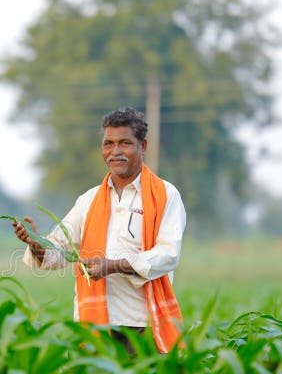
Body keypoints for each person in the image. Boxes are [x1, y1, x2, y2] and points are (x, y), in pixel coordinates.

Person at [13, 107, 186, 354]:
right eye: (108, 144)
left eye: (125, 143)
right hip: (96, 328)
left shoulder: (165, 195)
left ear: (143, 146)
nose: (115, 152)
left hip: (143, 325)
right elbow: (60, 250)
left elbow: (168, 255)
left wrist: (113, 265)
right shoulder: (88, 200)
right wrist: (36, 245)